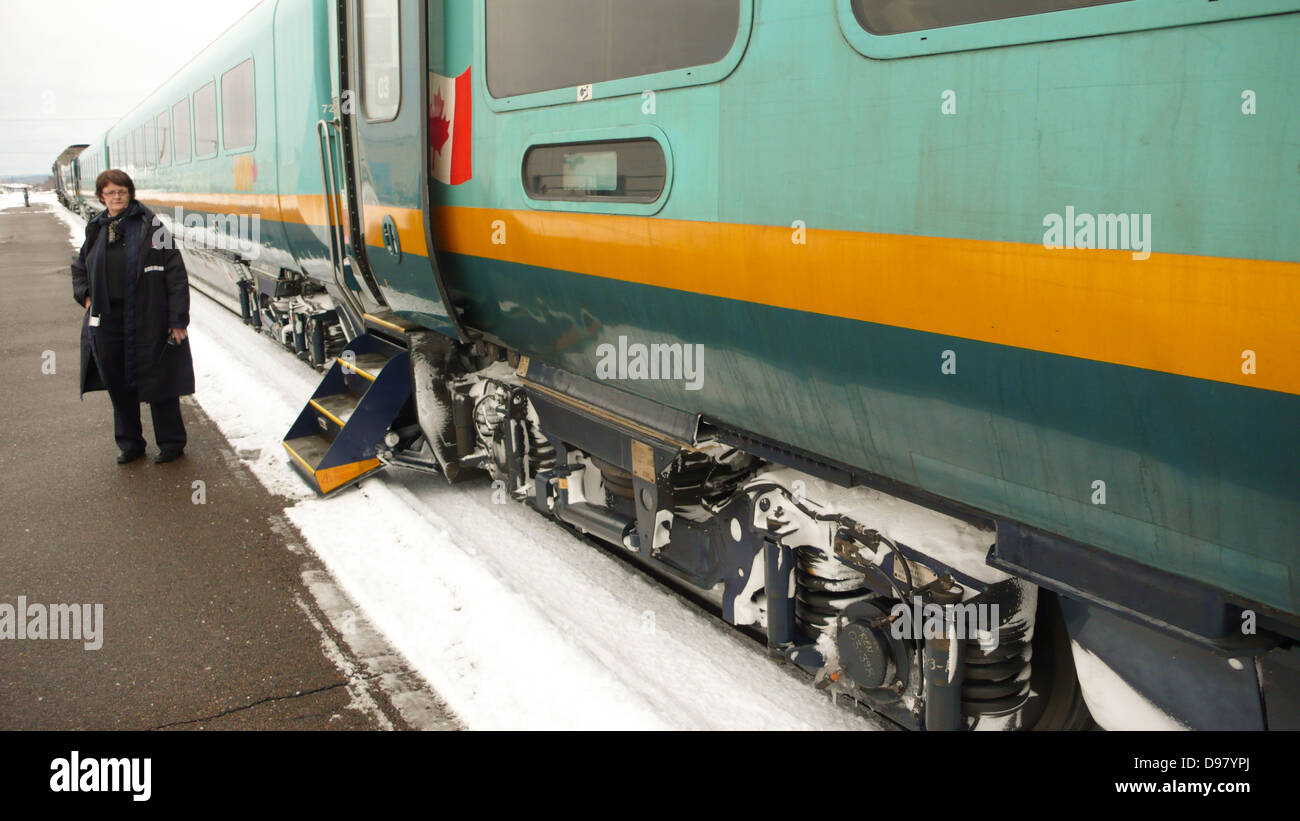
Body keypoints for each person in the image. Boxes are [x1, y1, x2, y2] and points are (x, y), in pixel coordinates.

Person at [71, 169, 195, 464]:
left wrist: (178, 320)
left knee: (160, 382)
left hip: (149, 318)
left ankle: (171, 443)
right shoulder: (96, 228)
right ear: (101, 196)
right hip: (108, 320)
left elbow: (176, 275)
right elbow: (79, 267)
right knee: (117, 382)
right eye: (111, 192)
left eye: (122, 192)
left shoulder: (154, 228)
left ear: (130, 193)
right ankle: (130, 444)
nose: (116, 197)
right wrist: (86, 295)